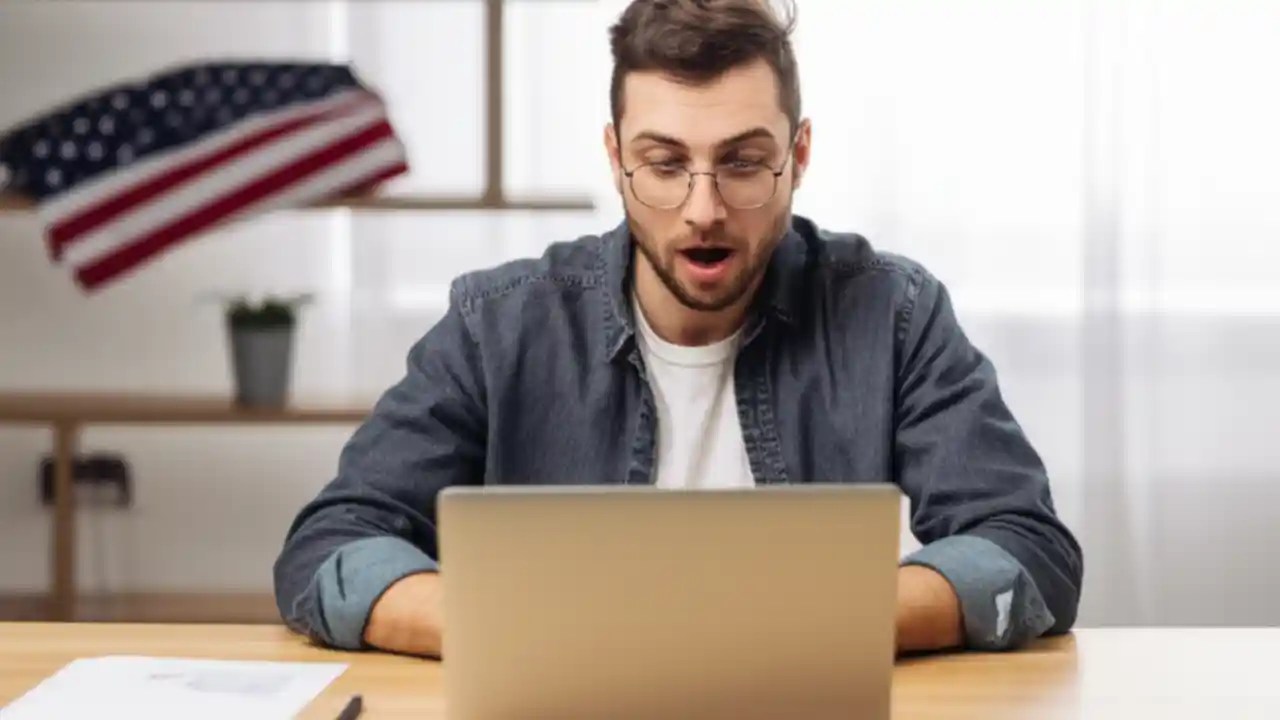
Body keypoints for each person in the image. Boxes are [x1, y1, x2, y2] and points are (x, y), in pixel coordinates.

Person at [273, 0, 1082, 659]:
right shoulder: (500, 323)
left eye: (741, 163)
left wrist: (813, 628)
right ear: (615, 155)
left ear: (798, 157)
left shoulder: (894, 314)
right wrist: (514, 630)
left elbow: (1026, 547)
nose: (703, 209)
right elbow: (333, 544)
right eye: (664, 164)